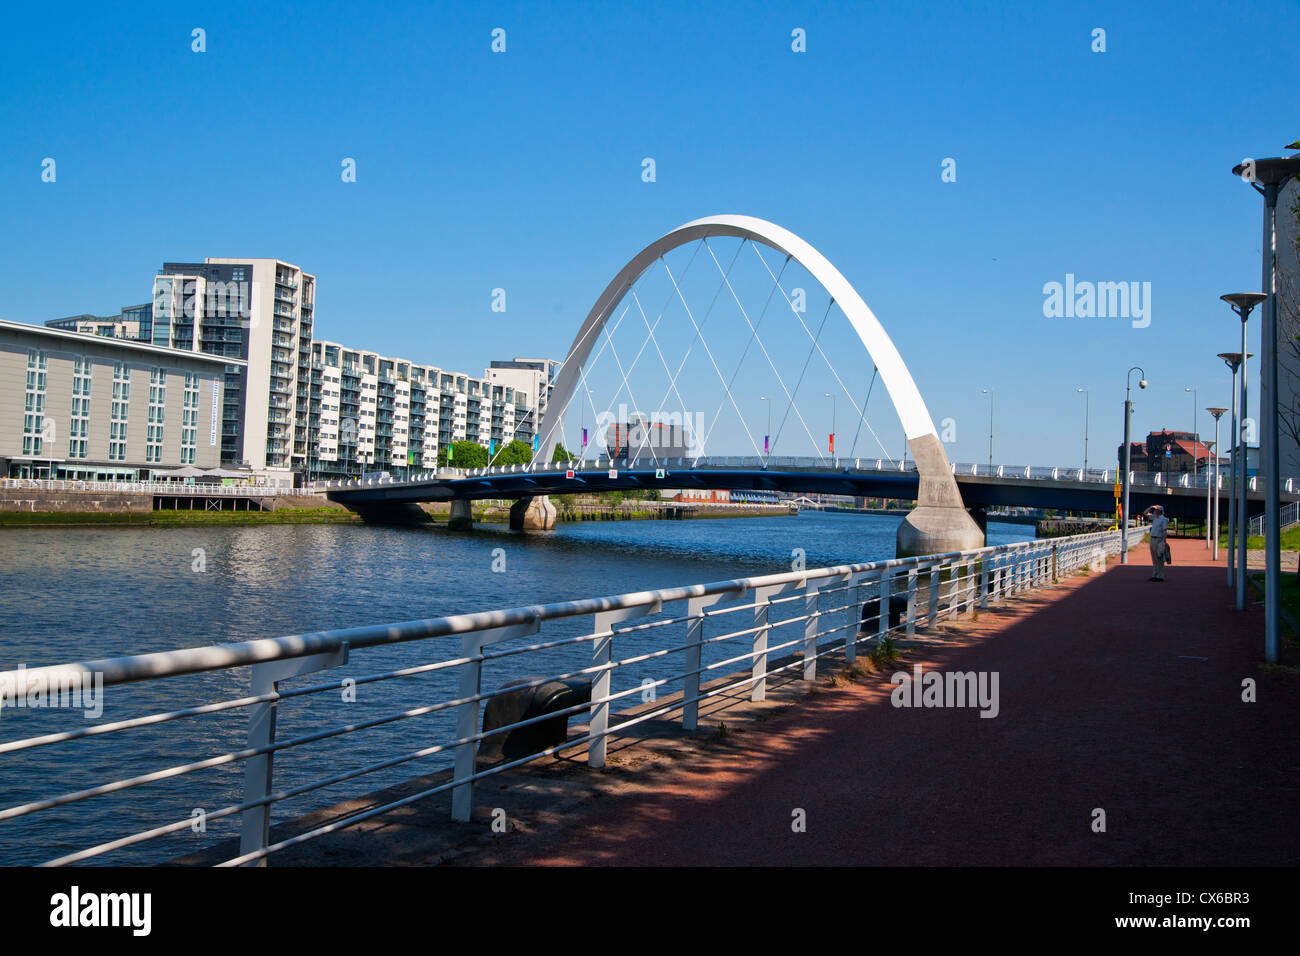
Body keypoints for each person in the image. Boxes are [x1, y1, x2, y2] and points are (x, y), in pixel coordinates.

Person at [1144, 504, 1169, 581]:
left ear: (1159, 511)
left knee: (1159, 558)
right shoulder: (1154, 517)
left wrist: (1163, 542)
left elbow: (1164, 531)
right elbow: (1145, 513)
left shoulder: (1163, 519)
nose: (1154, 511)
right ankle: (1155, 574)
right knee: (1154, 558)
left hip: (1159, 539)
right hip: (1152, 539)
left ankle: (1160, 576)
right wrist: (1151, 507)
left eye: (1156, 510)